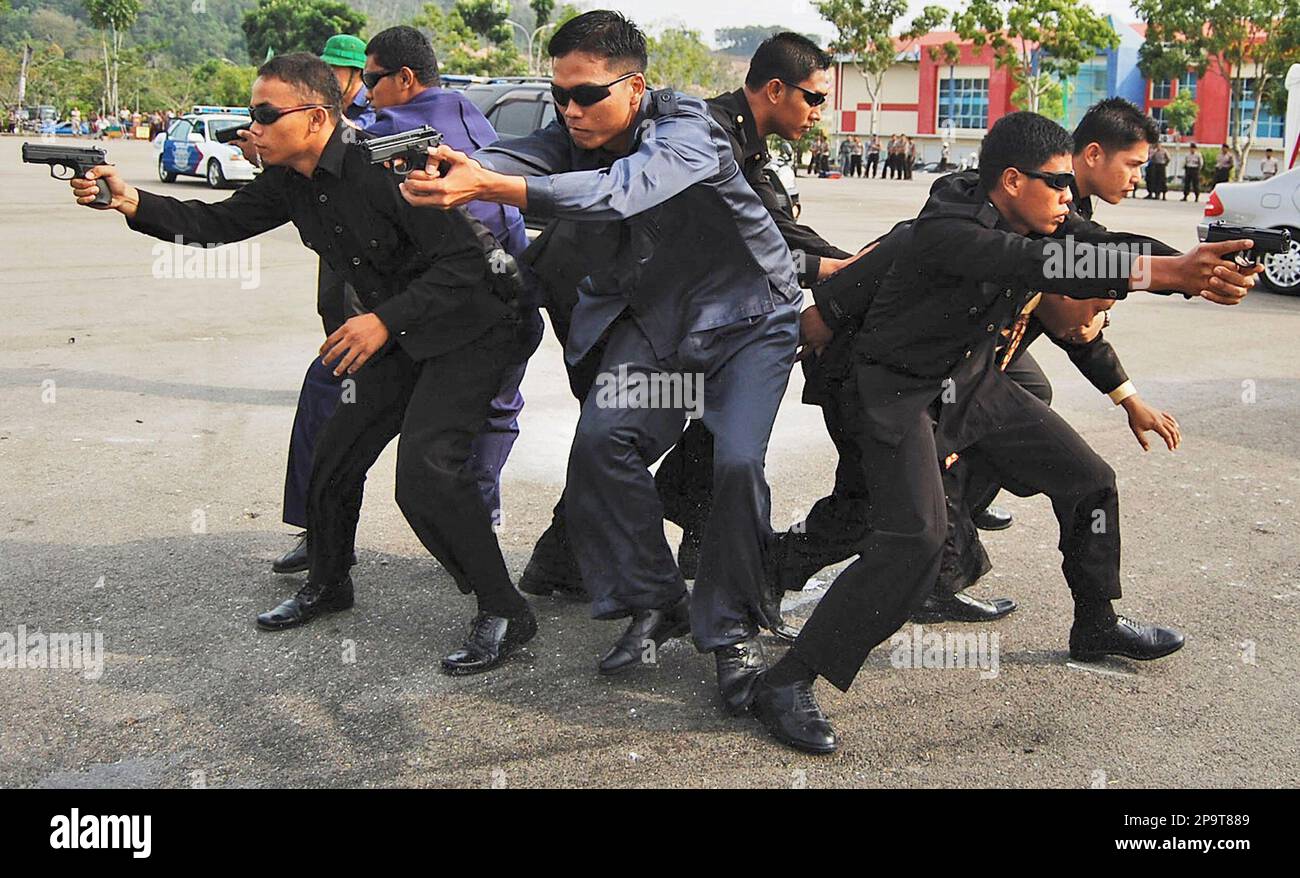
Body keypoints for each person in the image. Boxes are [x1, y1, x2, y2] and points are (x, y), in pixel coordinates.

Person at [745, 111, 1262, 754]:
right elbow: (1043, 263)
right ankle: (788, 680)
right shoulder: (950, 225)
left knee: (1089, 481)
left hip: (973, 384)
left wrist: (1191, 269)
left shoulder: (1041, 211)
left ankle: (1096, 623)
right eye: (1058, 184)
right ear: (1012, 180)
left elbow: (1099, 243)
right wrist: (1166, 275)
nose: (1069, 197)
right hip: (897, 395)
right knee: (912, 540)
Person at [70, 53, 537, 675]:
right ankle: (330, 581)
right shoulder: (292, 176)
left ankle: (505, 609)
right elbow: (216, 223)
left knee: (426, 472)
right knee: (333, 455)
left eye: (265, 115)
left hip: (475, 327)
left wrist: (381, 320)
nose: (251, 128)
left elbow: (469, 266)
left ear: (316, 116)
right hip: (398, 330)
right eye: (250, 113)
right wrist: (130, 201)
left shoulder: (385, 168)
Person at [401, 10, 804, 713]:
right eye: (559, 94)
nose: (570, 109)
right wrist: (446, 165)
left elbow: (624, 190)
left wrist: (491, 188)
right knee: (599, 444)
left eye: (585, 94)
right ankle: (657, 600)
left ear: (636, 84)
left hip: (749, 320)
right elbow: (516, 156)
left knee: (736, 464)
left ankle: (732, 636)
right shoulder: (575, 129)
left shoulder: (689, 132)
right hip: (659, 322)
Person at [270, 28, 536, 577]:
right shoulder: (477, 116)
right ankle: (475, 529)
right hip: (505, 300)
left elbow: (340, 163)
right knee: (491, 419)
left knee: (339, 398)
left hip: (432, 312)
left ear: (403, 79)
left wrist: (382, 322)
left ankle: (321, 535)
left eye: (367, 80)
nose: (363, 94)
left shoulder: (385, 135)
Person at [320, 34, 376, 128]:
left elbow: (361, 132)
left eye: (334, 69)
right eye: (324, 68)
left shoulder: (375, 102)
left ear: (357, 70)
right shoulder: (324, 99)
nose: (326, 75)